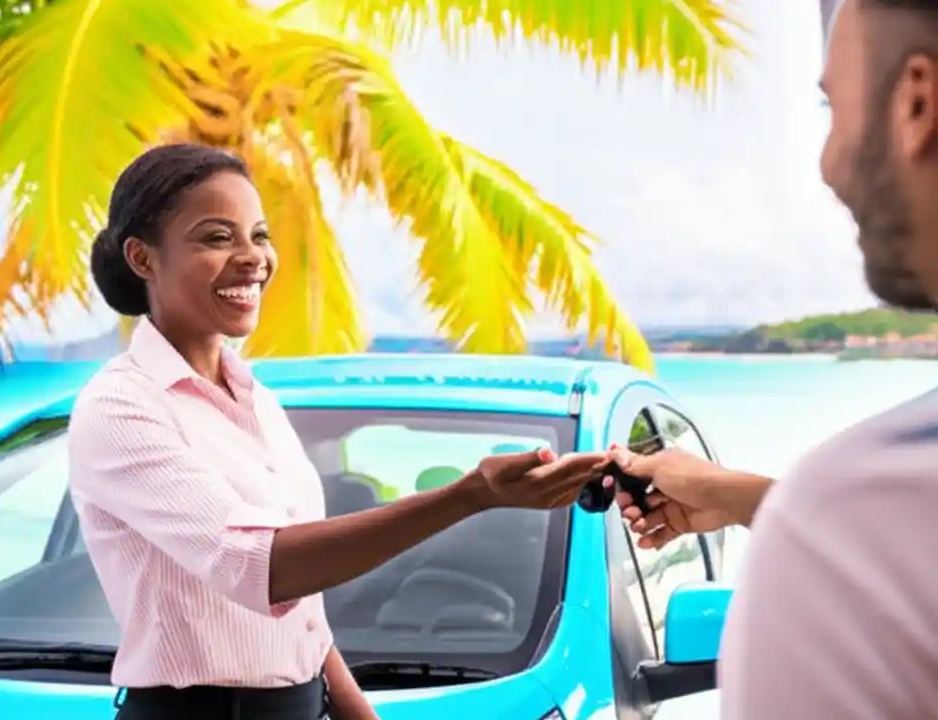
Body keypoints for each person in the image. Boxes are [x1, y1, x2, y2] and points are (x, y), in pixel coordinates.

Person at [67, 142, 606, 720]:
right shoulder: (120, 406)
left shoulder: (255, 400)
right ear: (144, 259)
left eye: (259, 235)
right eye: (218, 238)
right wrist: (469, 496)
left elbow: (304, 620)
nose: (252, 258)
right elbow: (263, 568)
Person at [608, 1, 938, 717]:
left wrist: (805, 520)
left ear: (919, 104)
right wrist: (750, 498)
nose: (828, 167)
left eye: (833, 106)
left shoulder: (837, 542)